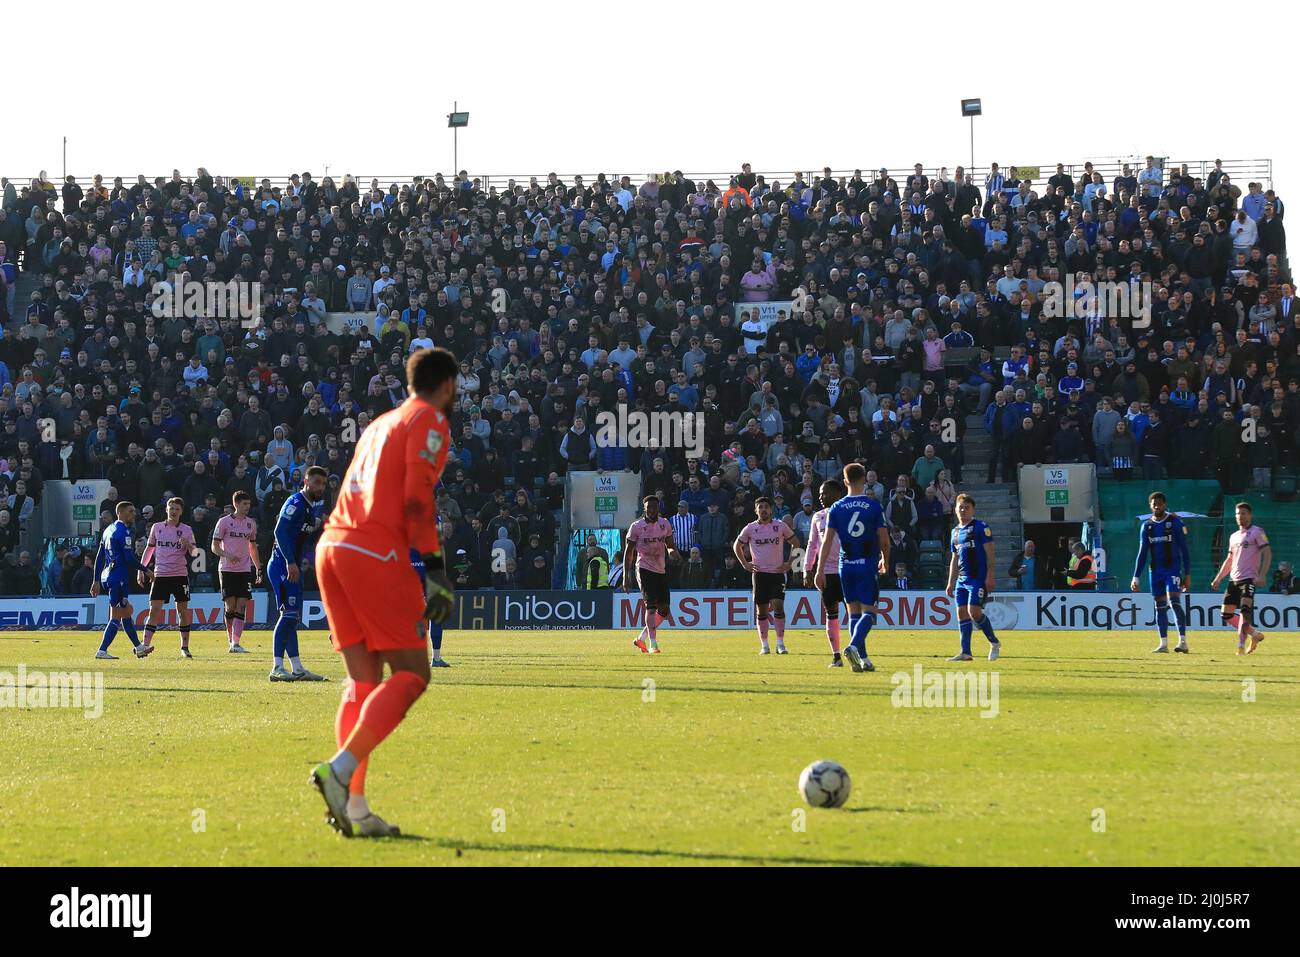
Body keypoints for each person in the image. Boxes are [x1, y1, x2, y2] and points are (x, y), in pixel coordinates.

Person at [310, 347, 458, 838]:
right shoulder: (430, 419)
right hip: (375, 552)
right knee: (414, 673)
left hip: (333, 545)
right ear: (447, 386)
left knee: (363, 682)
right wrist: (435, 569)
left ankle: (354, 807)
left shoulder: (379, 424)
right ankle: (339, 768)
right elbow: (417, 496)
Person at [813, 463, 889, 674]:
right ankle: (854, 646)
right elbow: (884, 540)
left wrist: (819, 570)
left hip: (844, 566)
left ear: (845, 482)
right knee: (870, 613)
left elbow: (826, 542)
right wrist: (886, 559)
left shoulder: (836, 508)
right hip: (866, 564)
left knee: (853, 612)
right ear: (864, 480)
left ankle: (862, 659)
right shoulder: (874, 506)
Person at [267, 469, 328, 681]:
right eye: (316, 482)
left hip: (293, 567)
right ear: (306, 482)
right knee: (288, 616)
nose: (320, 487)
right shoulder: (295, 502)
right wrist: (290, 561)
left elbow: (300, 535)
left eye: (323, 484)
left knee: (292, 618)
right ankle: (276, 667)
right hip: (283, 565)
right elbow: (279, 531)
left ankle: (298, 669)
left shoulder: (310, 509)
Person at [735, 495, 800, 655]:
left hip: (777, 573)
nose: (763, 510)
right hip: (759, 574)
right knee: (761, 610)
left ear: (771, 509)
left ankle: (780, 643)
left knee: (778, 606)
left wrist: (790, 563)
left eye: (766, 507)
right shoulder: (750, 528)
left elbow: (796, 543)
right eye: (760, 507)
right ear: (756, 510)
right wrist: (745, 563)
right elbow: (738, 545)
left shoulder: (780, 526)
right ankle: (764, 645)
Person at [1131, 491, 1191, 654]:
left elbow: (1185, 550)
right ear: (1150, 506)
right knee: (1159, 606)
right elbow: (1142, 553)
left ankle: (1183, 641)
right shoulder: (1147, 526)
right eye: (1153, 504)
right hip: (1155, 571)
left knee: (1174, 602)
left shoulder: (1174, 523)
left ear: (1164, 505)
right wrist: (1136, 576)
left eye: (1159, 503)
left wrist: (1187, 574)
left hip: (1172, 569)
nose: (1156, 506)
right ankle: (1163, 644)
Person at [91, 501, 152, 660]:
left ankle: (139, 648)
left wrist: (96, 580)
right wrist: (146, 570)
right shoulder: (123, 531)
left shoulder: (107, 530)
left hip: (109, 576)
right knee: (116, 616)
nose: (133, 514)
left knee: (125, 613)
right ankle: (102, 650)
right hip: (118, 577)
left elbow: (100, 557)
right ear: (120, 513)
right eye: (130, 511)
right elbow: (129, 557)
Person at [140, 497, 199, 658]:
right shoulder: (157, 527)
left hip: (180, 575)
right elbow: (149, 549)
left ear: (181, 512)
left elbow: (195, 553)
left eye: (177, 509)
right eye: (171, 508)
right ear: (166, 509)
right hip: (161, 575)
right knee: (154, 610)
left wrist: (188, 545)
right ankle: (145, 645)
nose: (173, 512)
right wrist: (141, 569)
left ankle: (185, 647)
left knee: (183, 611)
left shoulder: (187, 529)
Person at [945, 493, 1001, 662]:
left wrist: (990, 576)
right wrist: (950, 582)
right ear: (955, 510)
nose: (963, 510)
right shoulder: (955, 532)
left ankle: (994, 642)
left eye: (966, 507)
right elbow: (955, 558)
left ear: (973, 509)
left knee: (974, 612)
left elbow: (990, 553)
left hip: (978, 577)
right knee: (961, 612)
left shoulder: (980, 527)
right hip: (962, 580)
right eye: (960, 507)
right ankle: (965, 652)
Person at [1210, 502, 1270, 655]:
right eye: (1238, 513)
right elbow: (1229, 559)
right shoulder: (1233, 536)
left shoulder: (1258, 532)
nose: (1240, 516)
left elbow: (1267, 552)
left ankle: (1241, 647)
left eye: (1243, 513)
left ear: (1250, 515)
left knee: (1244, 612)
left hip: (1248, 579)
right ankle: (1254, 634)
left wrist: (1262, 574)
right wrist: (1218, 578)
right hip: (1233, 580)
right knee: (1226, 614)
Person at [622, 494, 679, 654]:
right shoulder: (637, 526)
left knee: (665, 610)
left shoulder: (665, 524)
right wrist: (626, 576)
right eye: (649, 508)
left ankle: (641, 638)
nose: (652, 510)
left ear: (658, 508)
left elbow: (669, 544)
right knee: (651, 607)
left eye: (655, 507)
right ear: (645, 509)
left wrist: (673, 552)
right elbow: (628, 553)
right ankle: (653, 644)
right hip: (644, 568)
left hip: (660, 568)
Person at [211, 491, 261, 655]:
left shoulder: (251, 524)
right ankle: (230, 640)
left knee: (242, 605)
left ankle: (236, 643)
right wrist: (227, 555)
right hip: (226, 569)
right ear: (236, 504)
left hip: (244, 570)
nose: (247, 507)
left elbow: (252, 547)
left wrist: (258, 567)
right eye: (244, 504)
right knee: (230, 605)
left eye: (249, 504)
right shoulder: (224, 522)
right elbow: (214, 546)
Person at [803, 478, 846, 668]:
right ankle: (836, 655)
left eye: (825, 493)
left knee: (856, 614)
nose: (821, 497)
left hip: (847, 569)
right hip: (826, 572)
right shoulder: (818, 517)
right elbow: (812, 545)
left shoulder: (848, 512)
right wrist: (807, 568)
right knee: (831, 614)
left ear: (837, 494)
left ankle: (858, 650)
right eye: (820, 493)